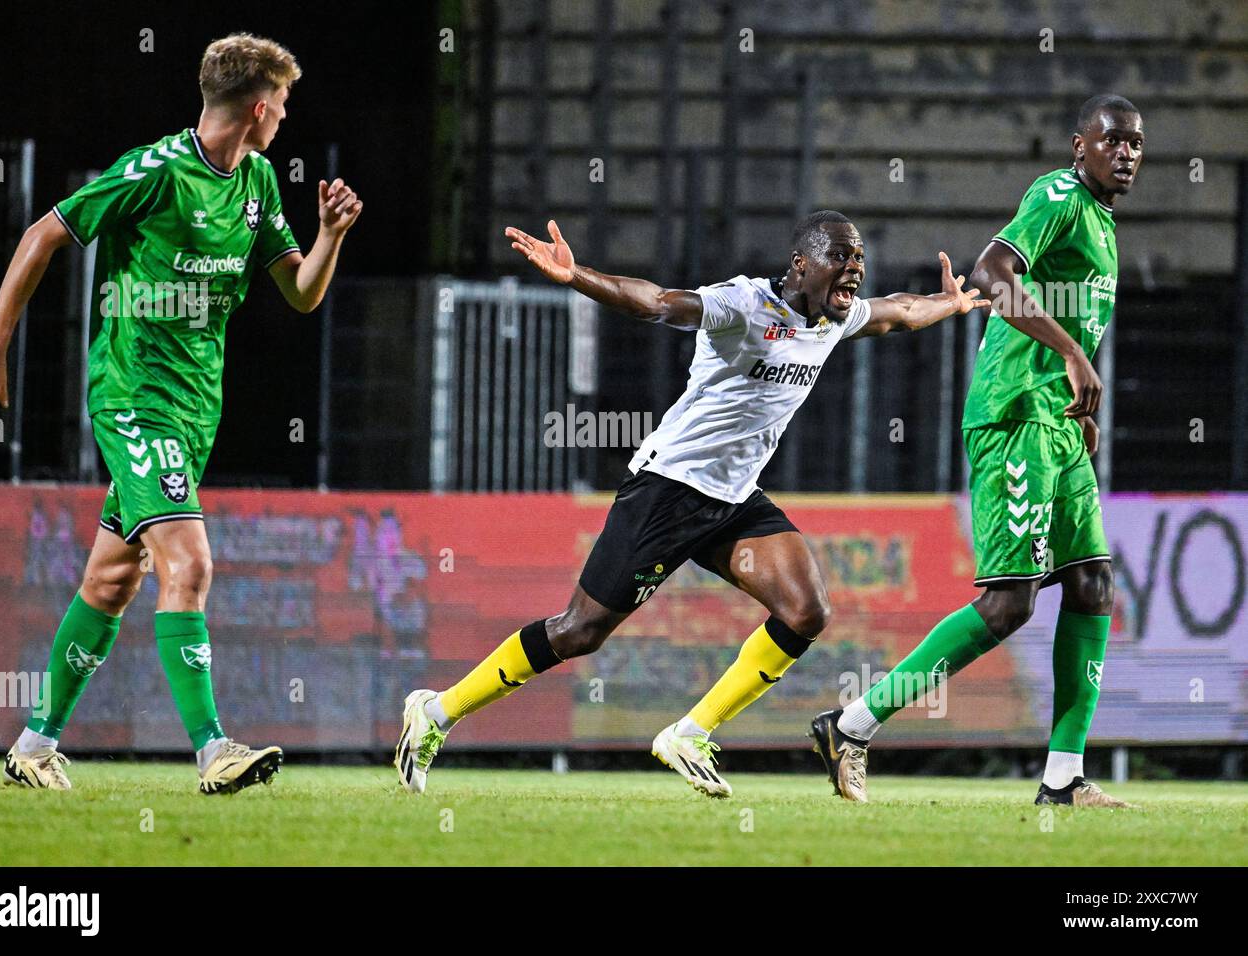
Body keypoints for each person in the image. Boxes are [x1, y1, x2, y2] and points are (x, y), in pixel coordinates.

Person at [395, 212, 987, 797]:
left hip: (733, 500)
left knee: (806, 611)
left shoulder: (835, 316)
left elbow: (900, 311)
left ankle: (691, 732)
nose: (854, 268)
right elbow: (656, 302)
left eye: (859, 258)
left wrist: (951, 304)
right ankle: (438, 713)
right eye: (841, 256)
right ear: (801, 264)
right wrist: (578, 277)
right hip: (669, 488)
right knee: (579, 632)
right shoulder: (745, 305)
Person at [0, 33, 362, 794]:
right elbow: (43, 232)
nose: (284, 121)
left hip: (193, 410)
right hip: (133, 400)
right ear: (261, 106)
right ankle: (214, 752)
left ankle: (34, 745)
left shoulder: (260, 184)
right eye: (283, 107)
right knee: (191, 565)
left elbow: (301, 291)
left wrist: (331, 236)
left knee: (112, 579)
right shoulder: (153, 172)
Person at [812, 95, 1143, 808]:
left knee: (1092, 586)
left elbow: (1077, 316)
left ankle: (1062, 779)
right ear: (1078, 145)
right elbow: (992, 274)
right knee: (1008, 606)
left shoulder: (1104, 223)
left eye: (1136, 144)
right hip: (1013, 418)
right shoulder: (1058, 194)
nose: (1125, 153)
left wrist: (1075, 396)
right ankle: (851, 724)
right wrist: (1075, 363)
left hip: (1054, 420)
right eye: (1111, 139)